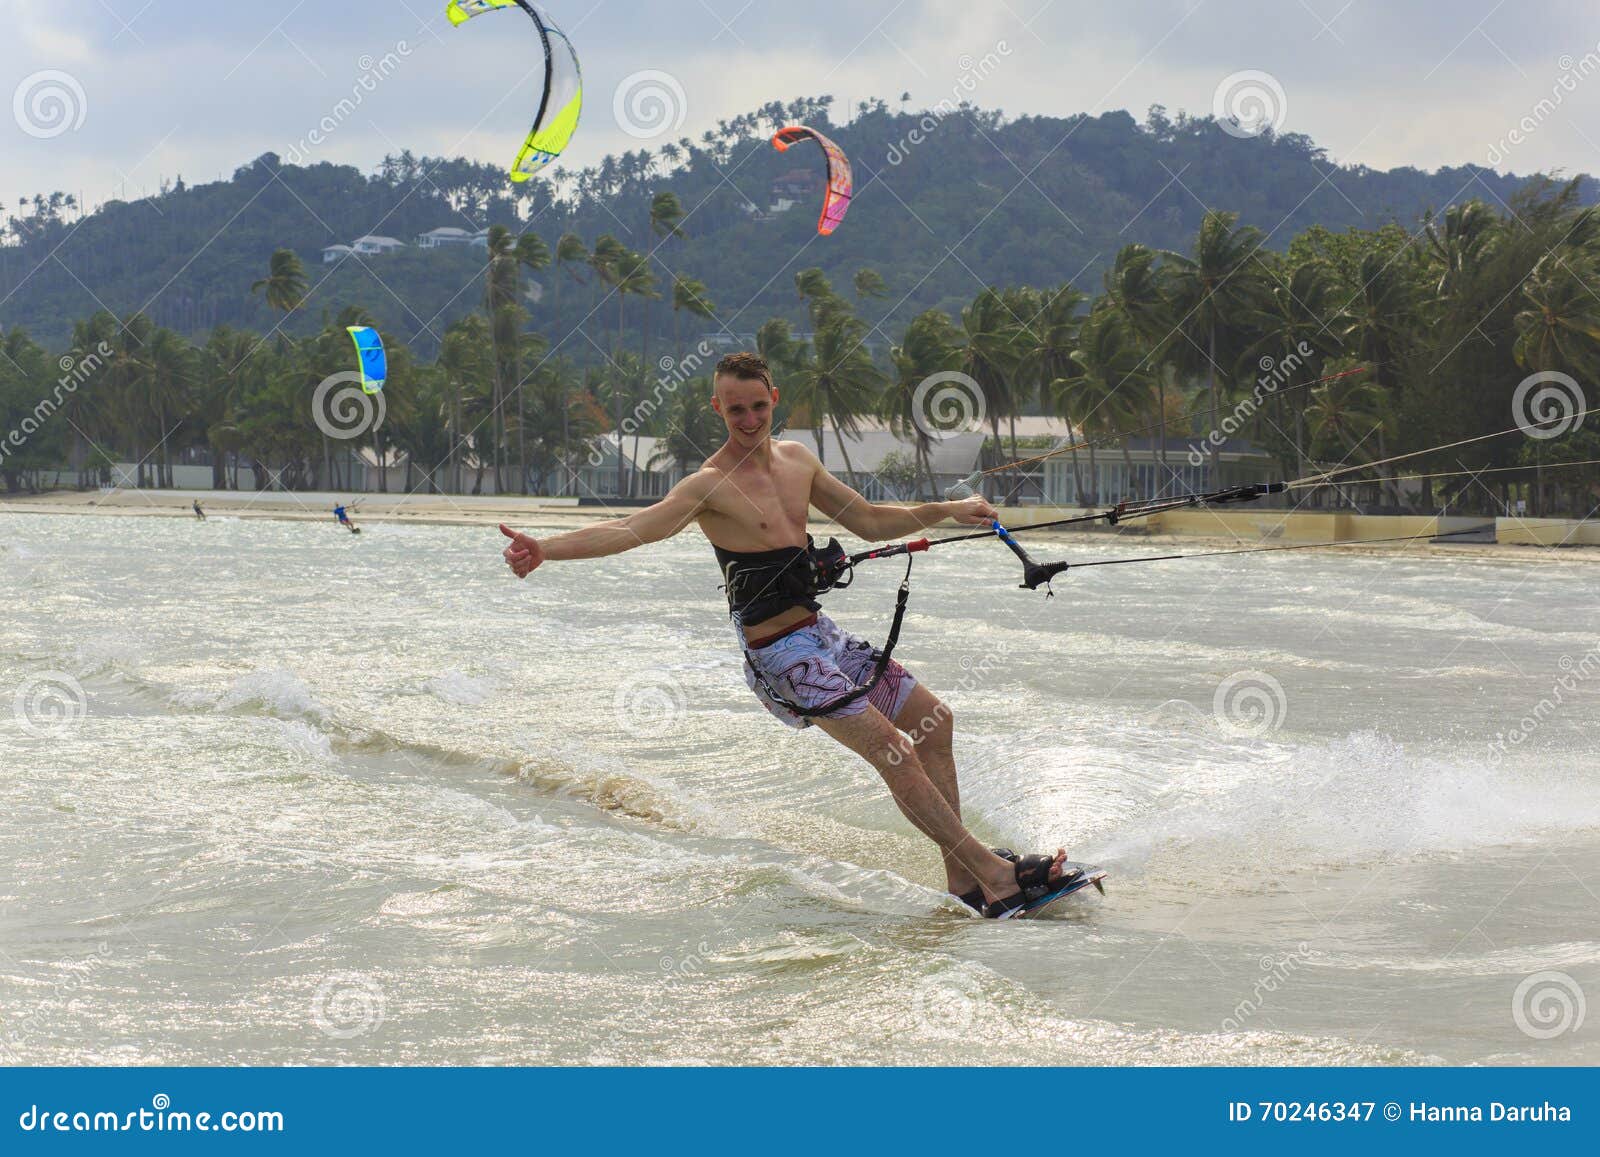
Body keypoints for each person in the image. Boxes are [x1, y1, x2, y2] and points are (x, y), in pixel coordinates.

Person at [498, 352, 1075, 918]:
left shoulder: (798, 461)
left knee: (934, 723)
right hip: (781, 654)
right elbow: (631, 528)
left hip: (821, 636)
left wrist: (946, 509)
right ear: (717, 408)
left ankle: (962, 880)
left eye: (757, 408)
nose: (748, 421)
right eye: (734, 412)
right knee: (893, 751)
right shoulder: (709, 485)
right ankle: (994, 876)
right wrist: (547, 549)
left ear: (773, 399)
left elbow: (870, 520)